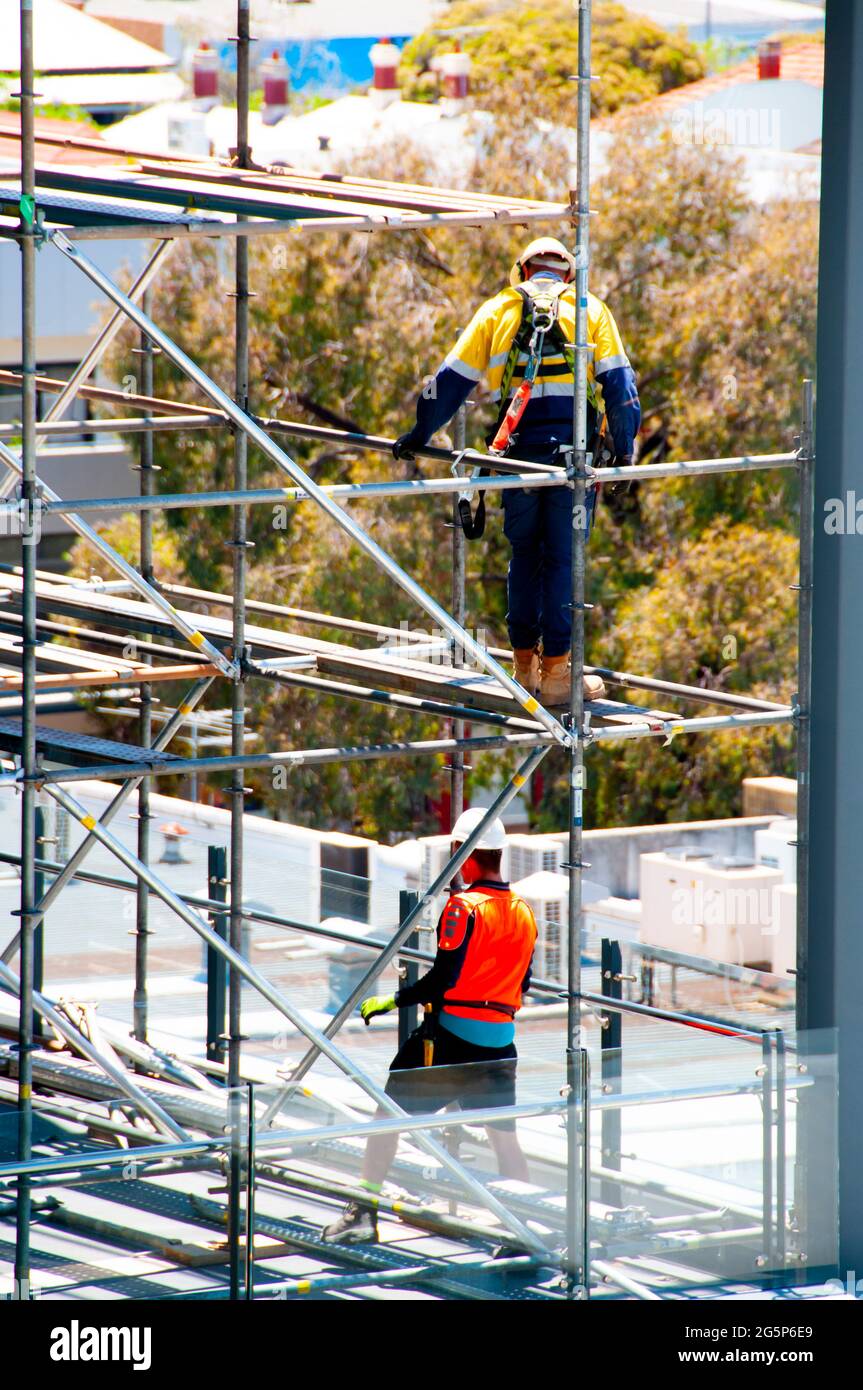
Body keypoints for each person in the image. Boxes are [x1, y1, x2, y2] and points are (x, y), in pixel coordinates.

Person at [393, 236, 641, 705]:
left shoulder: (499, 309)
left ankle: (523, 666)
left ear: (523, 271)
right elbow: (620, 388)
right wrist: (625, 453)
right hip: (573, 462)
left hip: (515, 460)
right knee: (563, 559)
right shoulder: (590, 309)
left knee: (525, 555)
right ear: (567, 275)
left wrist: (419, 433)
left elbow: (447, 384)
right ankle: (556, 674)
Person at [322, 806, 537, 1245]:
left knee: (387, 1116)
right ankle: (523, 1228)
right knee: (504, 1138)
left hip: (450, 1041)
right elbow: (524, 980)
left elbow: (444, 978)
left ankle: (363, 1210)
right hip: (500, 1046)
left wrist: (393, 999)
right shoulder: (524, 912)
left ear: (464, 852)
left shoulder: (462, 908)